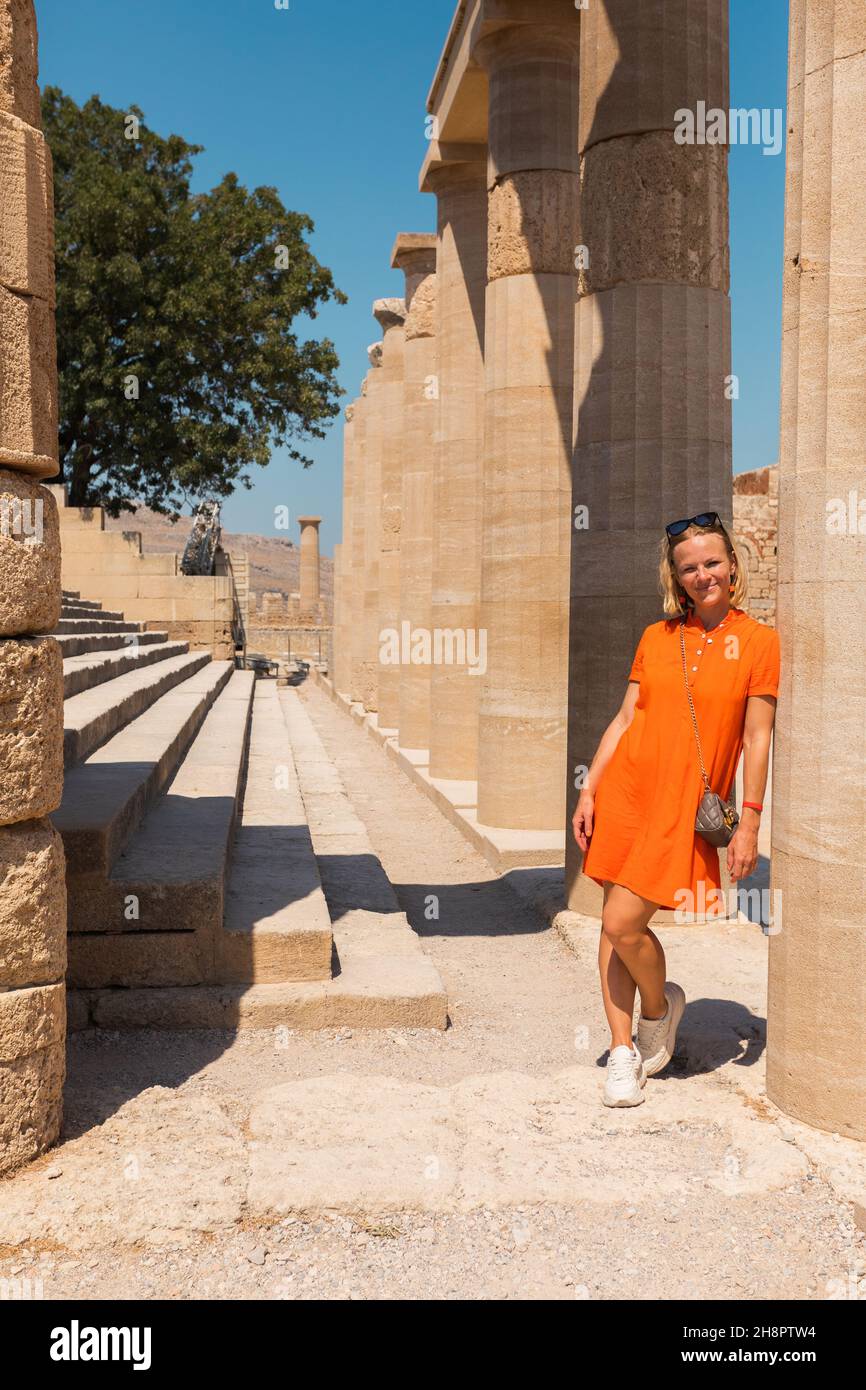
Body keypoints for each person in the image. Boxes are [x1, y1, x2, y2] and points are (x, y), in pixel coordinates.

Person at [572, 512, 780, 1108]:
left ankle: (660, 1010)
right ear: (676, 576)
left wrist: (751, 821)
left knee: (621, 924)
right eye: (689, 567)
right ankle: (621, 1051)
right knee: (612, 923)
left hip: (683, 807)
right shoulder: (656, 637)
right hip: (627, 794)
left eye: (712, 562)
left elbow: (758, 738)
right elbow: (625, 718)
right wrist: (590, 788)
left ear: (733, 564)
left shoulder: (760, 642)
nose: (702, 575)